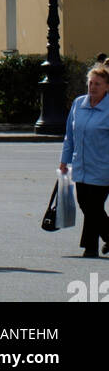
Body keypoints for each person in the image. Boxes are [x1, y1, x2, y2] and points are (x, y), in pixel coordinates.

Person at [60, 62, 109, 258]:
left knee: (94, 207)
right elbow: (69, 136)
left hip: (103, 167)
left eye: (97, 84)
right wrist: (64, 160)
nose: (93, 87)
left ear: (107, 87)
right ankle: (96, 243)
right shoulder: (78, 104)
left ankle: (90, 248)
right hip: (80, 165)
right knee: (84, 203)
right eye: (90, 83)